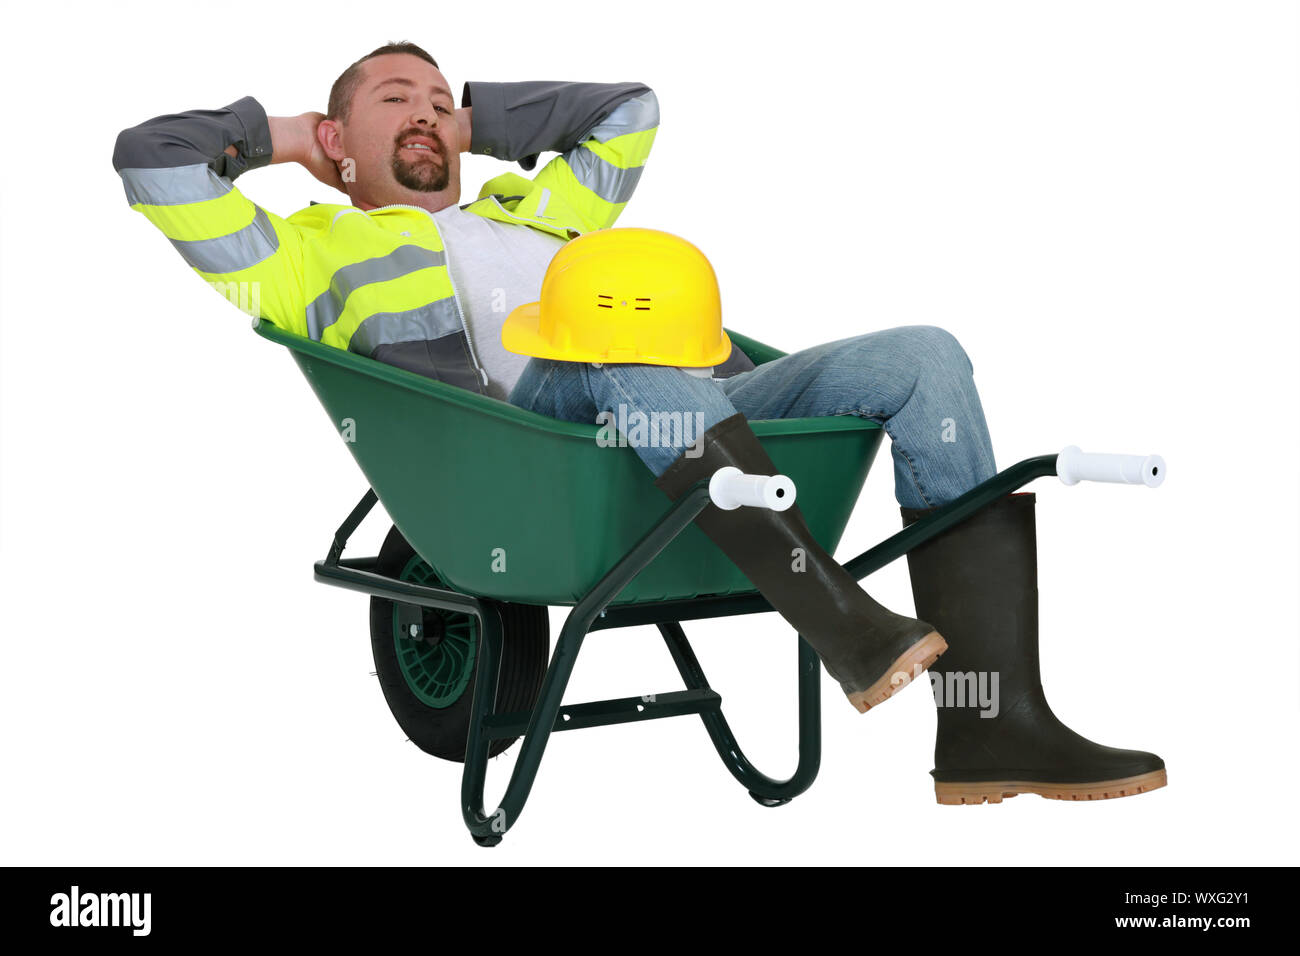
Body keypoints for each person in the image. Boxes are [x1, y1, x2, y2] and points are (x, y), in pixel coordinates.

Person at [112, 41, 1164, 803]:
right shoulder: (304, 255)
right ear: (340, 135)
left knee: (922, 355)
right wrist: (290, 138)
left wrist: (474, 120)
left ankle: (989, 723)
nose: (426, 112)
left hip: (691, 413)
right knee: (611, 343)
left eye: (438, 99)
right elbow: (151, 159)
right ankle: (839, 620)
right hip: (534, 439)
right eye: (397, 100)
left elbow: (631, 110)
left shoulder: (537, 212)